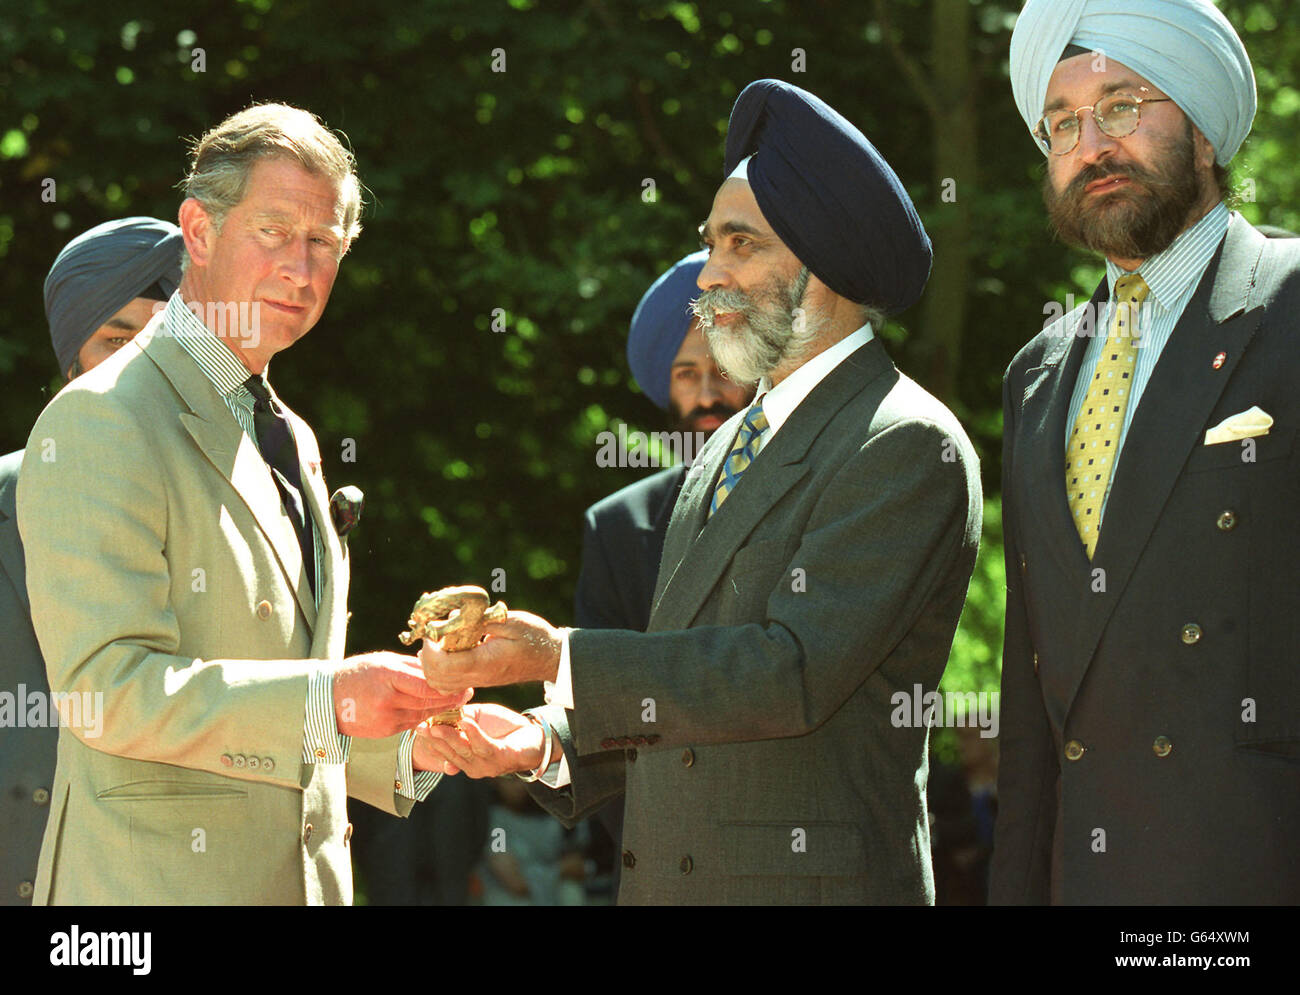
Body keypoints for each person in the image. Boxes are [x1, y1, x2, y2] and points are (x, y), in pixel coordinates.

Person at [416, 79, 982, 905]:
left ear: (819, 265)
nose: (707, 275)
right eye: (711, 244)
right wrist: (544, 743)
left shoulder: (902, 441)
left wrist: (556, 656)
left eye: (738, 246)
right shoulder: (729, 448)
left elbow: (787, 673)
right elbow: (693, 701)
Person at [17, 103, 463, 905]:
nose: (301, 266)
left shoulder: (290, 432)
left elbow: (276, 687)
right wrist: (331, 696)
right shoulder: (101, 416)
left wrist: (414, 745)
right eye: (273, 230)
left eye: (324, 240)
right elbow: (106, 691)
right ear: (198, 230)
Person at [993, 0, 1300, 904]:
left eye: (1123, 105)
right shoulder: (1037, 375)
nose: (1091, 144)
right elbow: (1031, 700)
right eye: (1062, 123)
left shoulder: (1292, 304)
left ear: (1203, 133)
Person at [1, 217, 182, 905]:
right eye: (114, 338)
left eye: (161, 339)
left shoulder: (238, 523)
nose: (139, 363)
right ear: (69, 358)